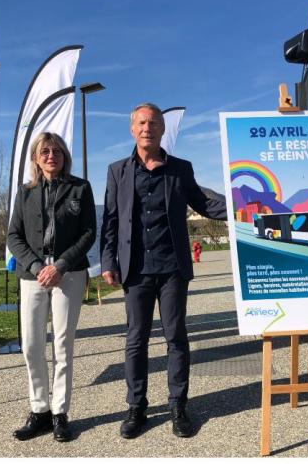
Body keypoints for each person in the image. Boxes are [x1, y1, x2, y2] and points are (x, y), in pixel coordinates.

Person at [100, 103, 226, 439]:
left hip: (172, 268)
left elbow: (203, 203)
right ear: (133, 129)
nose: (148, 128)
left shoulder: (180, 169)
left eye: (154, 123)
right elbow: (110, 219)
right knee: (135, 340)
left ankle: (178, 407)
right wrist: (108, 261)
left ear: (162, 129)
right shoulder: (117, 170)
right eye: (142, 123)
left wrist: (241, 206)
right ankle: (136, 407)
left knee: (176, 338)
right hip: (135, 270)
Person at [7, 131, 96, 442]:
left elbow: (88, 233)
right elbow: (13, 236)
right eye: (45, 151)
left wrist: (60, 266)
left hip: (68, 274)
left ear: (64, 157)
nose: (51, 156)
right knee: (32, 345)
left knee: (62, 345)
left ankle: (59, 413)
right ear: (36, 157)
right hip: (32, 275)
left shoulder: (80, 188)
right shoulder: (25, 192)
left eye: (57, 151)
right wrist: (37, 267)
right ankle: (39, 411)